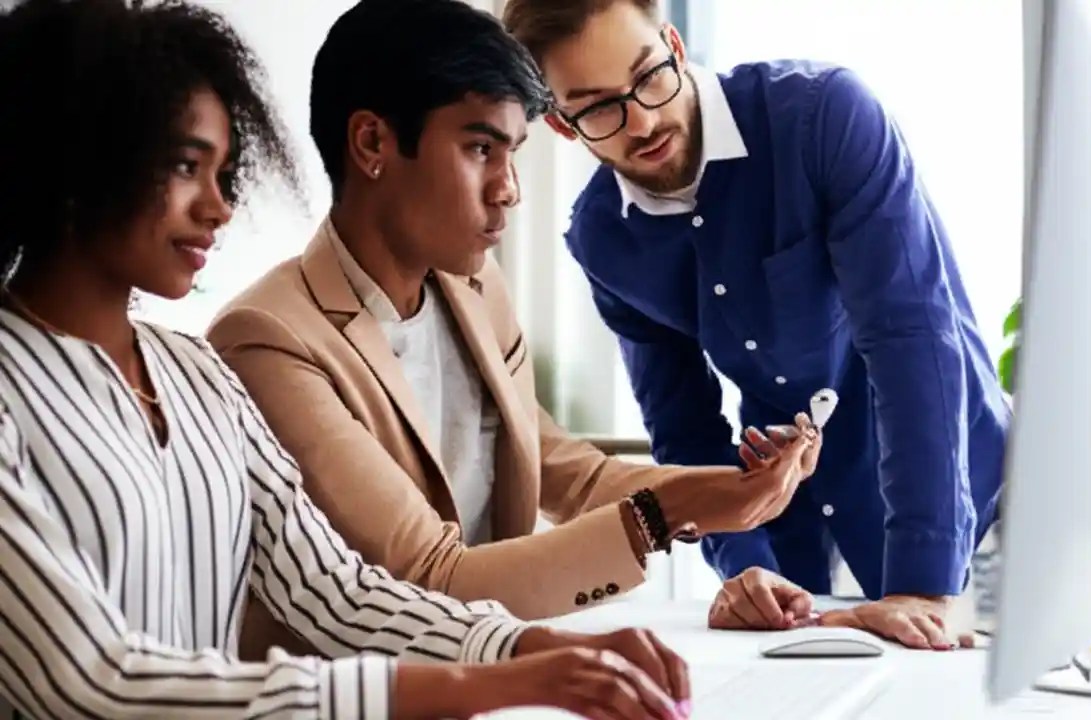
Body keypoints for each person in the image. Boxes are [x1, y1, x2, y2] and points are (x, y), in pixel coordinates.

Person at [0, 2, 694, 718]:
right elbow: (89, 681)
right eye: (185, 167)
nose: (219, 208)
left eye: (225, 174)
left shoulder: (195, 374)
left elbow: (337, 590)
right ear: (76, 157)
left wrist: (528, 647)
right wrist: (494, 680)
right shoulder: (19, 392)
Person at [207, 0, 818, 663]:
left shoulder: (472, 290)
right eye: (479, 149)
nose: (509, 191)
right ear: (373, 143)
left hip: (491, 681)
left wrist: (728, 489)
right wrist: (665, 513)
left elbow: (575, 479)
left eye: (513, 153)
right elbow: (427, 579)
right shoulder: (265, 341)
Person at [502, 0, 1010, 650]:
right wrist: (747, 569)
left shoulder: (824, 117)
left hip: (959, 520)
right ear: (563, 126)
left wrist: (920, 581)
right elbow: (683, 427)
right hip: (798, 560)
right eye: (601, 107)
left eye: (650, 75)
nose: (645, 118)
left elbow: (911, 337)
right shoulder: (604, 240)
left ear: (675, 46)